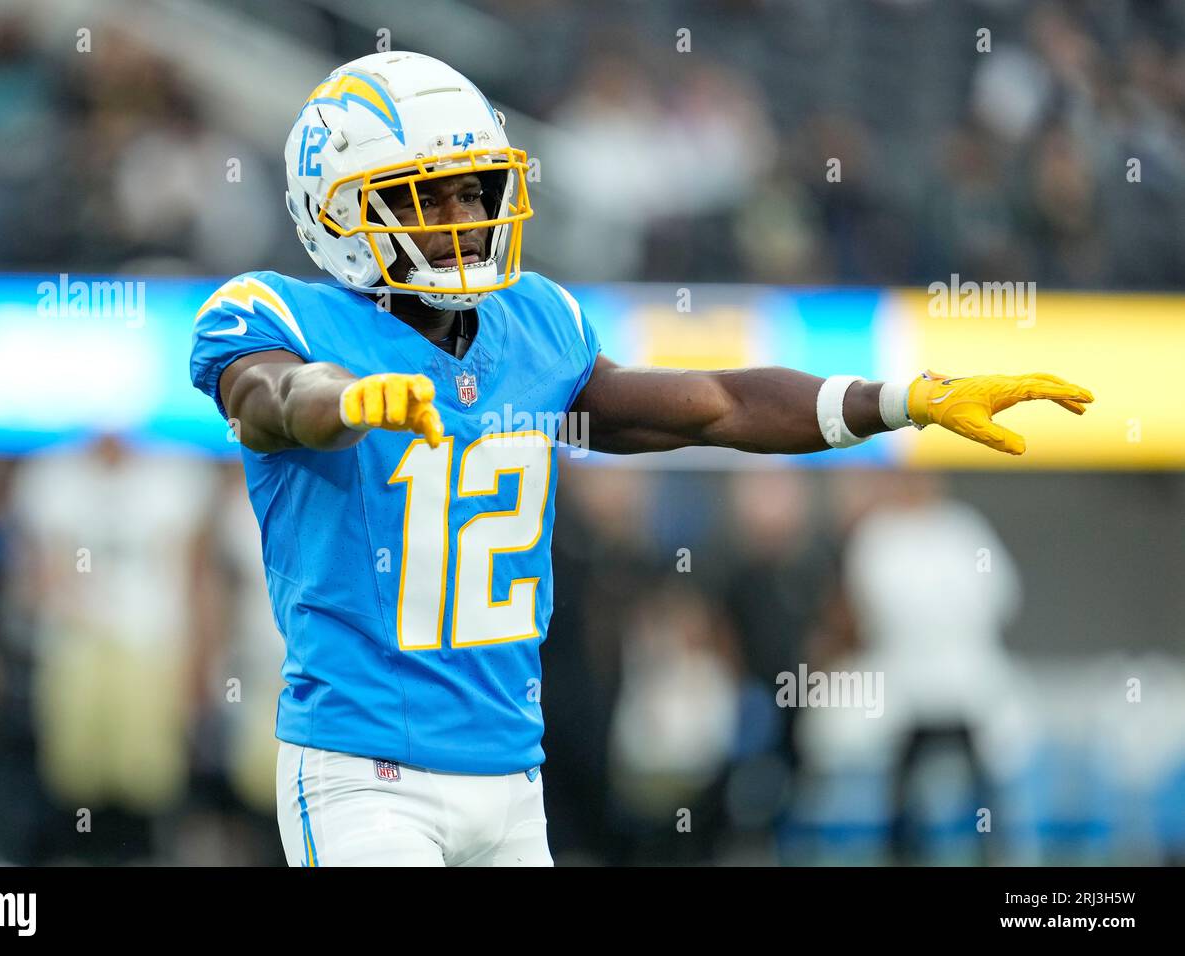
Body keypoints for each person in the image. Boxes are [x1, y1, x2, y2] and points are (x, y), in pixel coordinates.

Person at [188, 51, 1094, 866]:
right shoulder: (282, 319)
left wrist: (895, 400)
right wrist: (341, 399)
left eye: (473, 191)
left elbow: (719, 405)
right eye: (428, 197)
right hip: (365, 775)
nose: (464, 220)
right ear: (339, 211)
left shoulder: (535, 325)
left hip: (511, 780)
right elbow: (267, 401)